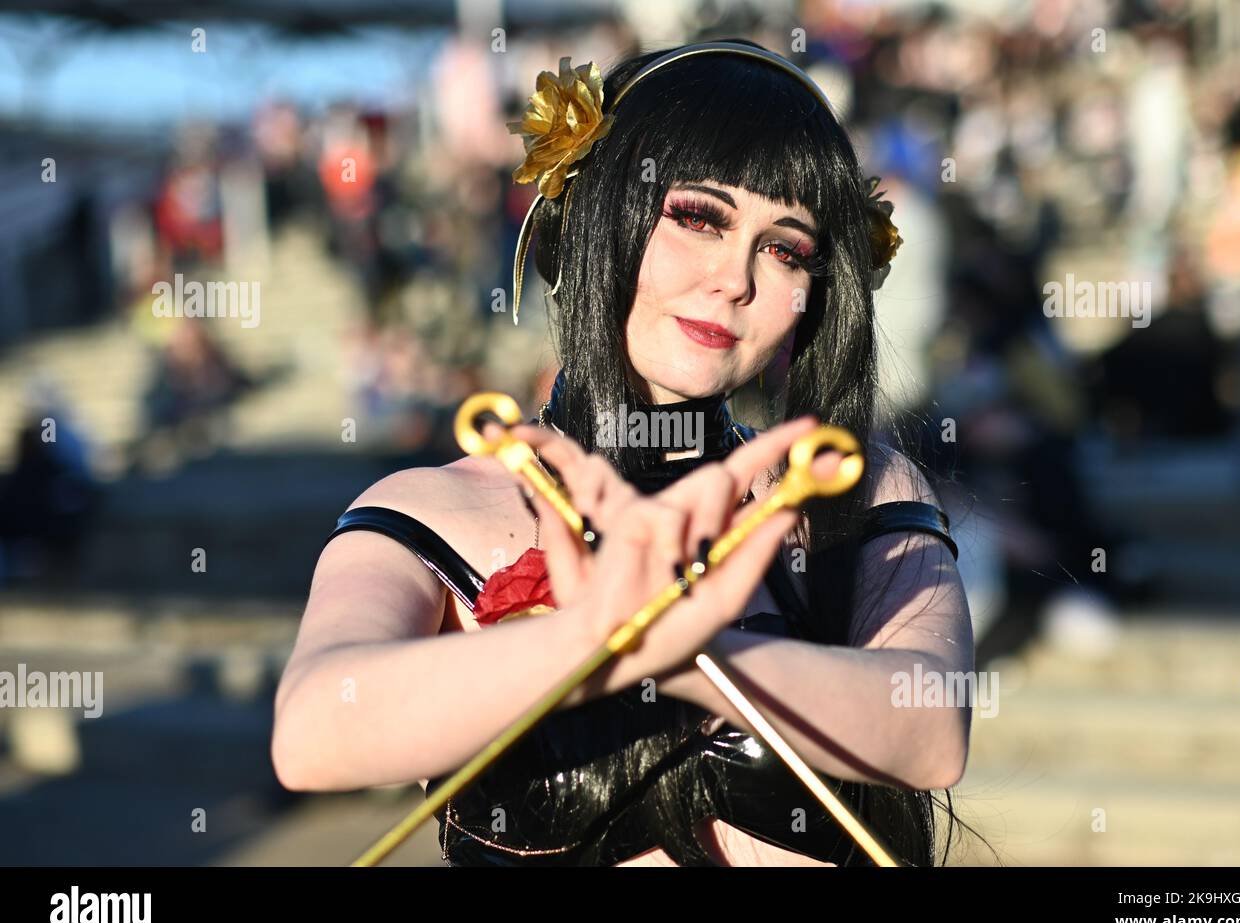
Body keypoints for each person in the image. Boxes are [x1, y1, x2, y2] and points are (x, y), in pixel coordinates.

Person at [272, 40, 976, 866]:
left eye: (785, 247)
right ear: (599, 212)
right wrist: (594, 640)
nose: (736, 279)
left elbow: (929, 728)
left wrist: (677, 646)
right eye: (699, 217)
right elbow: (315, 731)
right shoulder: (434, 508)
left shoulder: (858, 490)